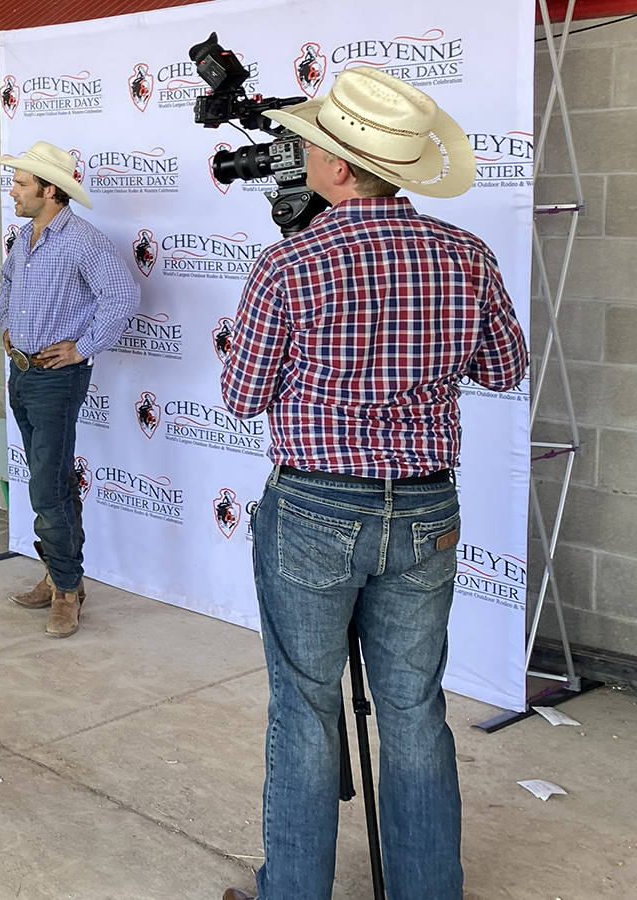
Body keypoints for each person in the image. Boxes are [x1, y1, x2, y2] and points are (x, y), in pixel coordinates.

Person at [217, 67, 527, 900]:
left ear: (341, 168)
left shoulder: (289, 265)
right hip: (428, 508)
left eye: (313, 144)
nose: (303, 154)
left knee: (307, 711)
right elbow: (503, 369)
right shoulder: (466, 253)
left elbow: (243, 397)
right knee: (416, 711)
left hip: (315, 505)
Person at [0, 141, 140, 638]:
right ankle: (57, 574)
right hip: (23, 372)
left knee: (47, 487)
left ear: (50, 190)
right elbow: (7, 285)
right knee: (51, 481)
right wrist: (7, 326)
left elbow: (122, 297)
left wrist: (83, 347)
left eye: (21, 184)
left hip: (56, 377)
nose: (13, 191)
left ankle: (67, 591)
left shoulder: (83, 241)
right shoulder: (25, 237)